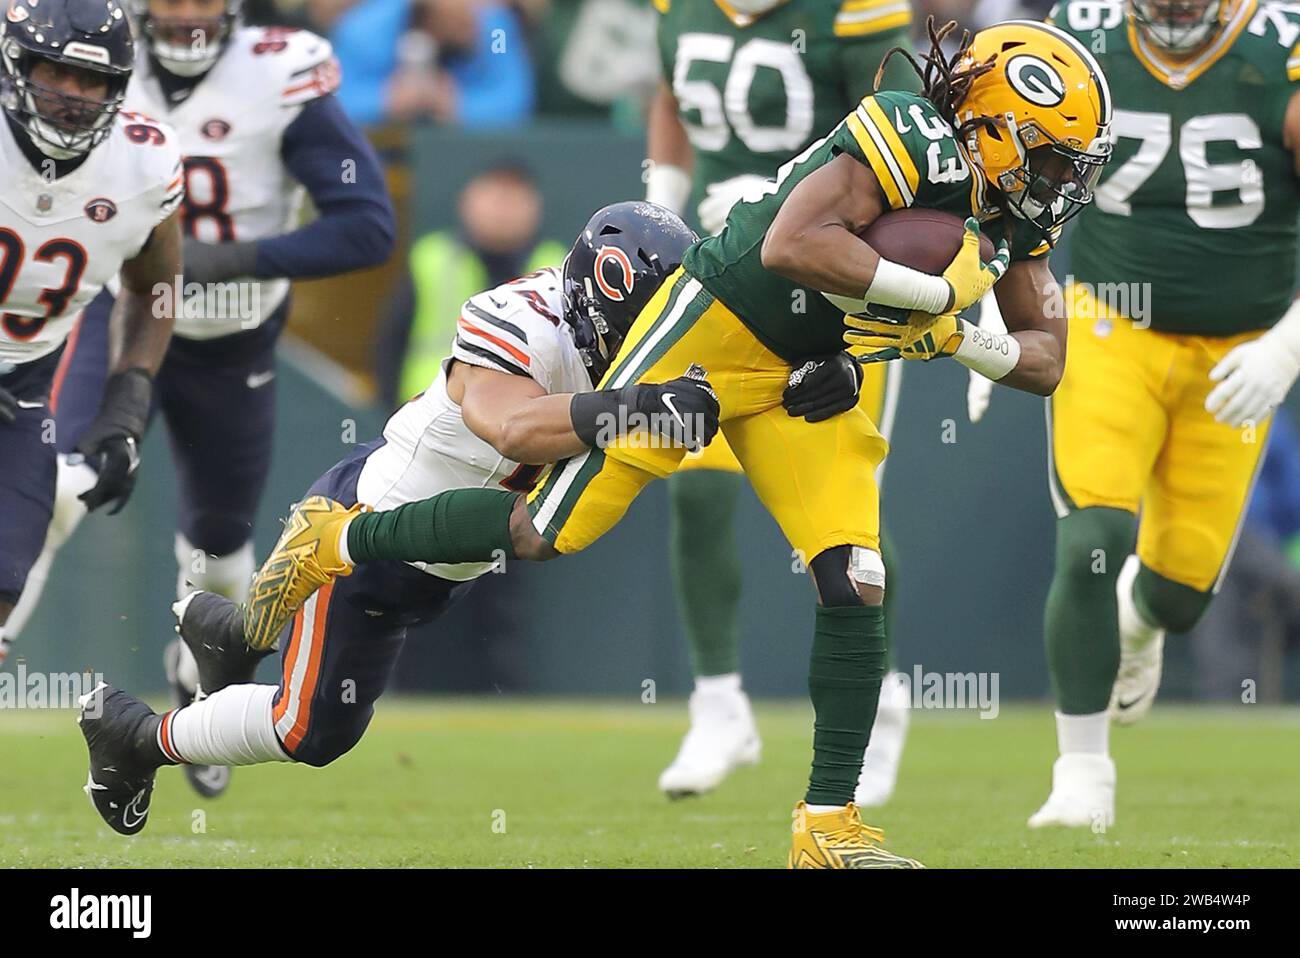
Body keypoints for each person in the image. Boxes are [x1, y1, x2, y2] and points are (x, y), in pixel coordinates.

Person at [233, 19, 1113, 866]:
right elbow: (793, 244)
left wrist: (965, 337)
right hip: (717, 325)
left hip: (805, 370)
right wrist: (928, 302)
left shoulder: (1014, 214)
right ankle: (339, 536)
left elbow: (1047, 361)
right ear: (995, 124)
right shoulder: (908, 131)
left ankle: (829, 826)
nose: (1056, 181)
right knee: (545, 530)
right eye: (1046, 156)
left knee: (857, 574)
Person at [75, 202, 699, 836]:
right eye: (637, 327)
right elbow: (512, 428)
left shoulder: (624, 341)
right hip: (362, 534)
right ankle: (132, 735)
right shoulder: (525, 320)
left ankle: (233, 637)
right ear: (600, 298)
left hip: (433, 555)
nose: (645, 348)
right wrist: (634, 406)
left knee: (320, 719)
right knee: (307, 729)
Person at [6, 0, 395, 799]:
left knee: (220, 555)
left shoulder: (280, 71)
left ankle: (204, 684)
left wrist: (231, 258)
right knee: (61, 493)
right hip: (115, 317)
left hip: (234, 340)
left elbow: (367, 227)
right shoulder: (96, 54)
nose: (186, 11)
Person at [1006, 0, 1300, 829]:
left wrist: (1287, 350)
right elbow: (997, 175)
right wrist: (996, 313)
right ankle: (1082, 774)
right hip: (1108, 326)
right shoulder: (1077, 33)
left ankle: (1143, 620)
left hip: (1237, 348)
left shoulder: (1282, 52)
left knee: (1181, 595)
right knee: (1093, 537)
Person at [644, 0, 919, 804]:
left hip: (839, 284)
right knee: (693, 479)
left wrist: (782, 199)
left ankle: (884, 706)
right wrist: (667, 194)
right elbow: (672, 92)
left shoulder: (855, 15)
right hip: (730, 280)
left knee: (847, 524)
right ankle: (719, 704)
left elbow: (904, 133)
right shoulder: (678, 10)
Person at [0, 0, 183, 665]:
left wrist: (128, 398)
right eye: (56, 74)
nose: (73, 97)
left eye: (93, 82)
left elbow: (153, 286)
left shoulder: (144, 163)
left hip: (21, 389)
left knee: (4, 583)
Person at [375, 162, 566, 409]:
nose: (503, 211)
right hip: (431, 413)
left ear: (536, 208)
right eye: (494, 198)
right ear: (467, 202)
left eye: (515, 200)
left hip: (526, 420)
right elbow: (390, 343)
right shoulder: (431, 257)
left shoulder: (556, 266)